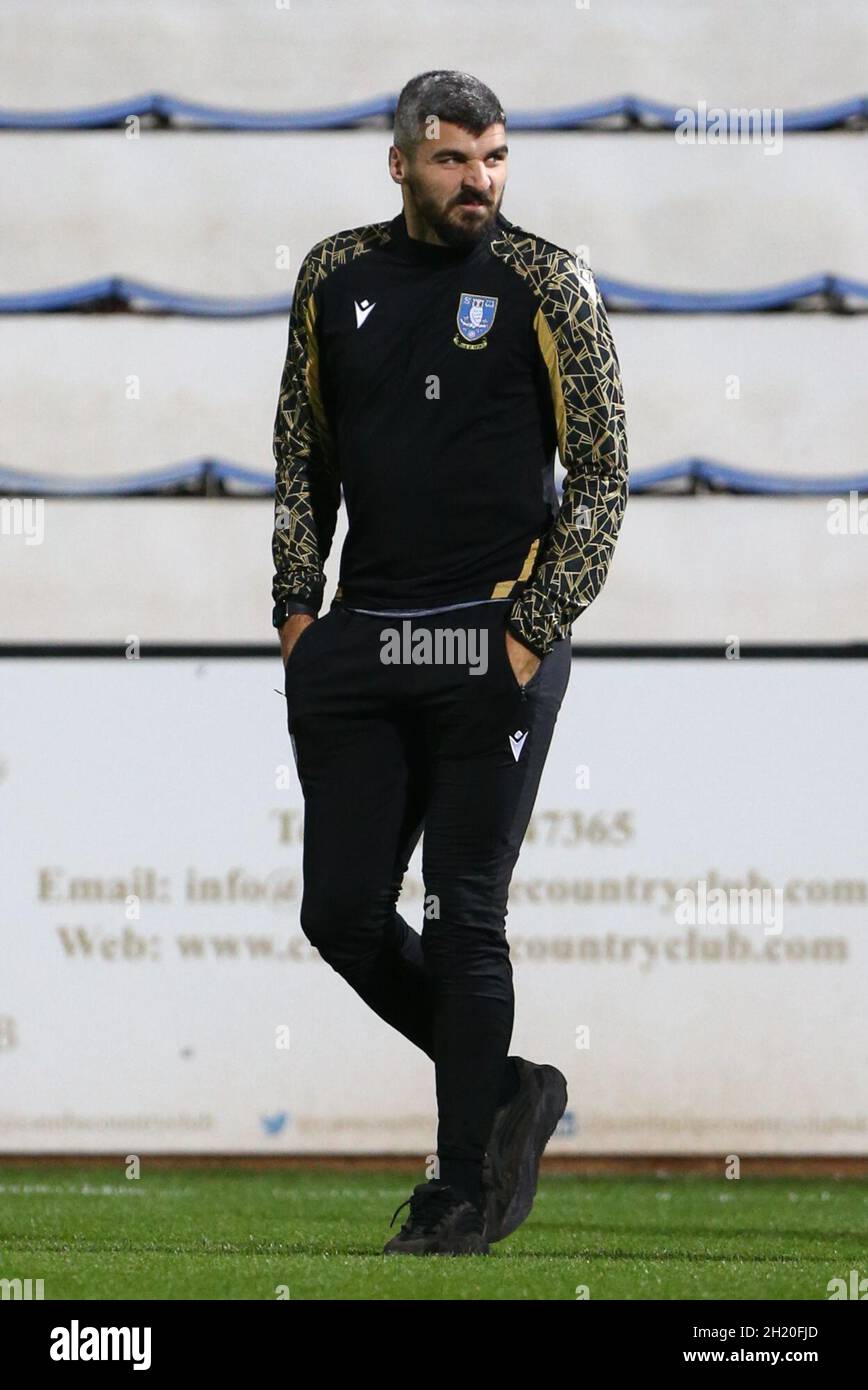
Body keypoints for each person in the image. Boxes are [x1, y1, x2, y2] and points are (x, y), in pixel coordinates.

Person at [271, 69, 628, 1256]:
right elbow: (301, 460)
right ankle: (512, 1086)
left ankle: (459, 1187)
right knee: (340, 915)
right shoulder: (333, 276)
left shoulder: (547, 281)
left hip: (492, 629)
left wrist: (533, 624)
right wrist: (295, 614)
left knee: (463, 907)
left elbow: (606, 475)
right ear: (400, 164)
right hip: (363, 638)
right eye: (452, 161)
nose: (478, 181)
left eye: (493, 159)